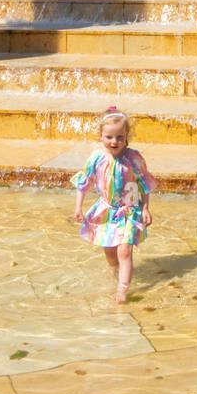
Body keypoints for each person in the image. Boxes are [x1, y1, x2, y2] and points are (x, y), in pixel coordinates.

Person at [71, 106, 153, 305]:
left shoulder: (133, 159)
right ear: (101, 136)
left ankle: (123, 289)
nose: (114, 142)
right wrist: (78, 207)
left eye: (119, 137)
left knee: (124, 251)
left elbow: (144, 185)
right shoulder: (96, 159)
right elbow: (84, 183)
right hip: (107, 210)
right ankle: (115, 270)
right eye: (109, 137)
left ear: (127, 137)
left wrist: (145, 208)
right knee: (110, 252)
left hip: (130, 210)